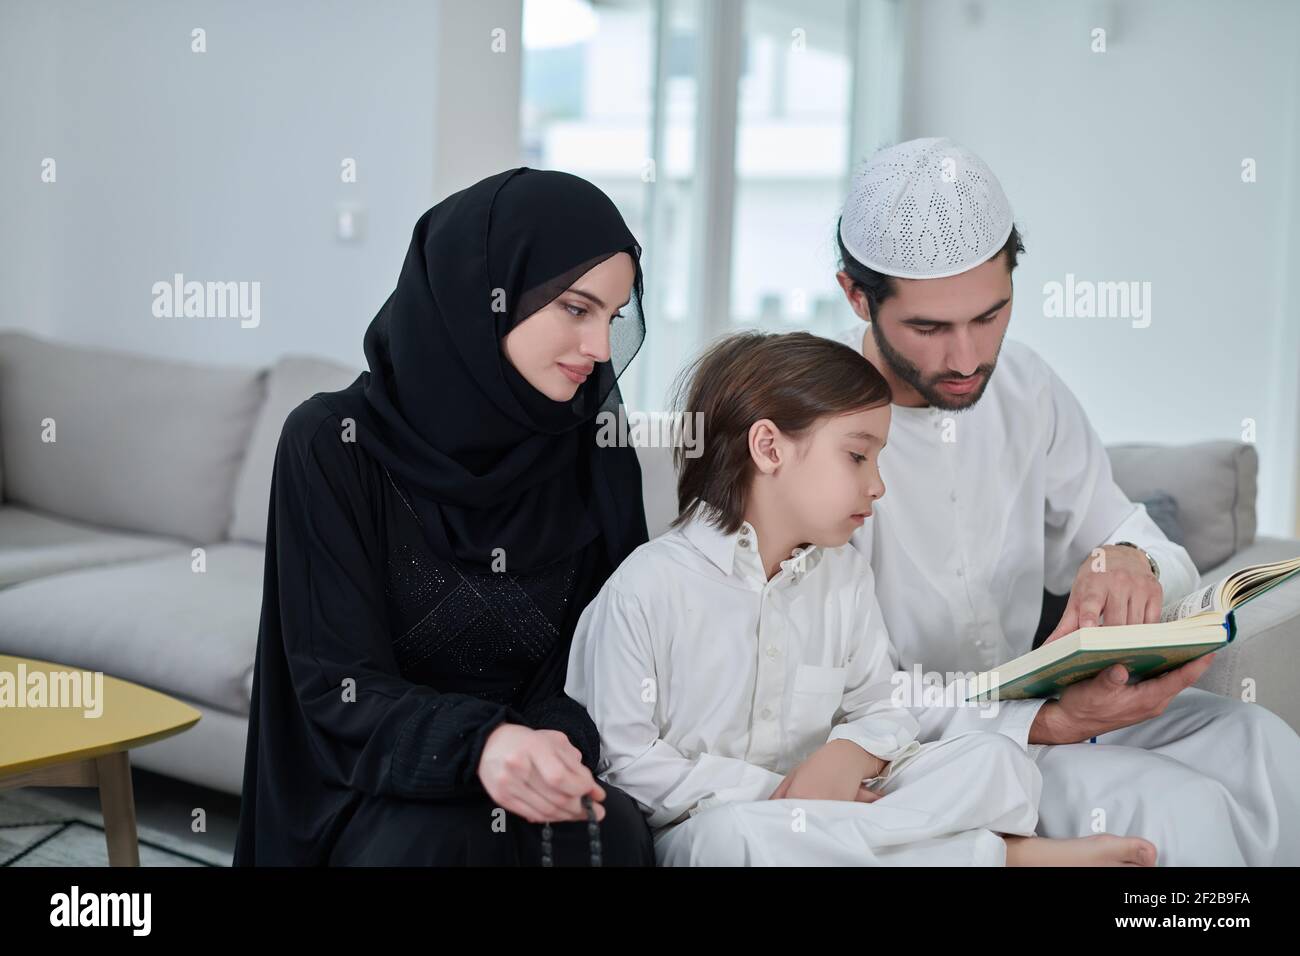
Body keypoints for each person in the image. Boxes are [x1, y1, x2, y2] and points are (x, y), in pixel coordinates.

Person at [830, 136, 1300, 864]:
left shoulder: (1024, 386)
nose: (966, 359)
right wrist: (1047, 722)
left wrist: (1124, 558)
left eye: (989, 316)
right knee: (1175, 806)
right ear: (856, 295)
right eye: (929, 328)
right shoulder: (813, 426)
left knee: (1261, 742)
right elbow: (835, 696)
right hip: (928, 747)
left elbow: (1132, 534)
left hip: (1054, 709)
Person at [566, 330, 1157, 866]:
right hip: (721, 824)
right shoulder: (646, 588)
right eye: (857, 456)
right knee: (738, 842)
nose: (877, 485)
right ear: (769, 448)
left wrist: (850, 753)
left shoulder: (842, 577)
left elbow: (881, 705)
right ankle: (1003, 859)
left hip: (843, 805)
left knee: (993, 762)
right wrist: (778, 793)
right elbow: (623, 762)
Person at [233, 167, 655, 866]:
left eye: (613, 317)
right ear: (482, 295)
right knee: (432, 849)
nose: (601, 349)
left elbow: (606, 654)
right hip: (369, 778)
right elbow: (335, 683)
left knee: (611, 835)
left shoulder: (595, 449)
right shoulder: (332, 443)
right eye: (576, 310)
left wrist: (547, 746)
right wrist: (482, 745)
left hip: (539, 762)